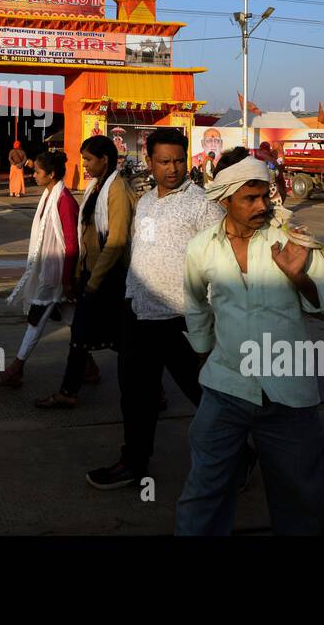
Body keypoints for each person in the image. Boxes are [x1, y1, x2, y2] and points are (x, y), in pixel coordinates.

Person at [175, 155, 324, 535]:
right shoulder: (201, 248)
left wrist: (299, 278)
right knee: (205, 491)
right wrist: (206, 359)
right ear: (225, 201)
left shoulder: (292, 240)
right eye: (249, 199)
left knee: (304, 498)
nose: (261, 206)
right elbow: (196, 307)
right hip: (224, 389)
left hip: (288, 394)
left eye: (264, 197)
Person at [86, 127, 222, 490]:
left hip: (181, 319)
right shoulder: (144, 200)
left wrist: (210, 325)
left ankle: (238, 458)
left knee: (205, 395)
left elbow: (217, 265)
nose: (173, 168)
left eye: (179, 160)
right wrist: (129, 295)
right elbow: (139, 252)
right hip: (138, 315)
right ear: (149, 161)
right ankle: (133, 463)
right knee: (135, 397)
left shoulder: (202, 205)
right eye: (164, 161)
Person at [34, 135, 136, 409]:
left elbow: (116, 241)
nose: (86, 166)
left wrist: (93, 280)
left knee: (93, 335)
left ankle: (70, 391)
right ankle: (151, 389)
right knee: (112, 337)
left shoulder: (116, 190)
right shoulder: (96, 187)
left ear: (105, 159)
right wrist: (81, 272)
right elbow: (86, 236)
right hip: (93, 273)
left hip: (109, 276)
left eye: (89, 160)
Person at [0, 151, 79, 388]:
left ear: (50, 174)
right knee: (74, 323)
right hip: (51, 270)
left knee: (36, 320)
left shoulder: (64, 201)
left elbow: (71, 243)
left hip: (55, 272)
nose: (33, 175)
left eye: (38, 172)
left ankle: (16, 368)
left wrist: (67, 278)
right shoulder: (50, 195)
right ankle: (88, 367)